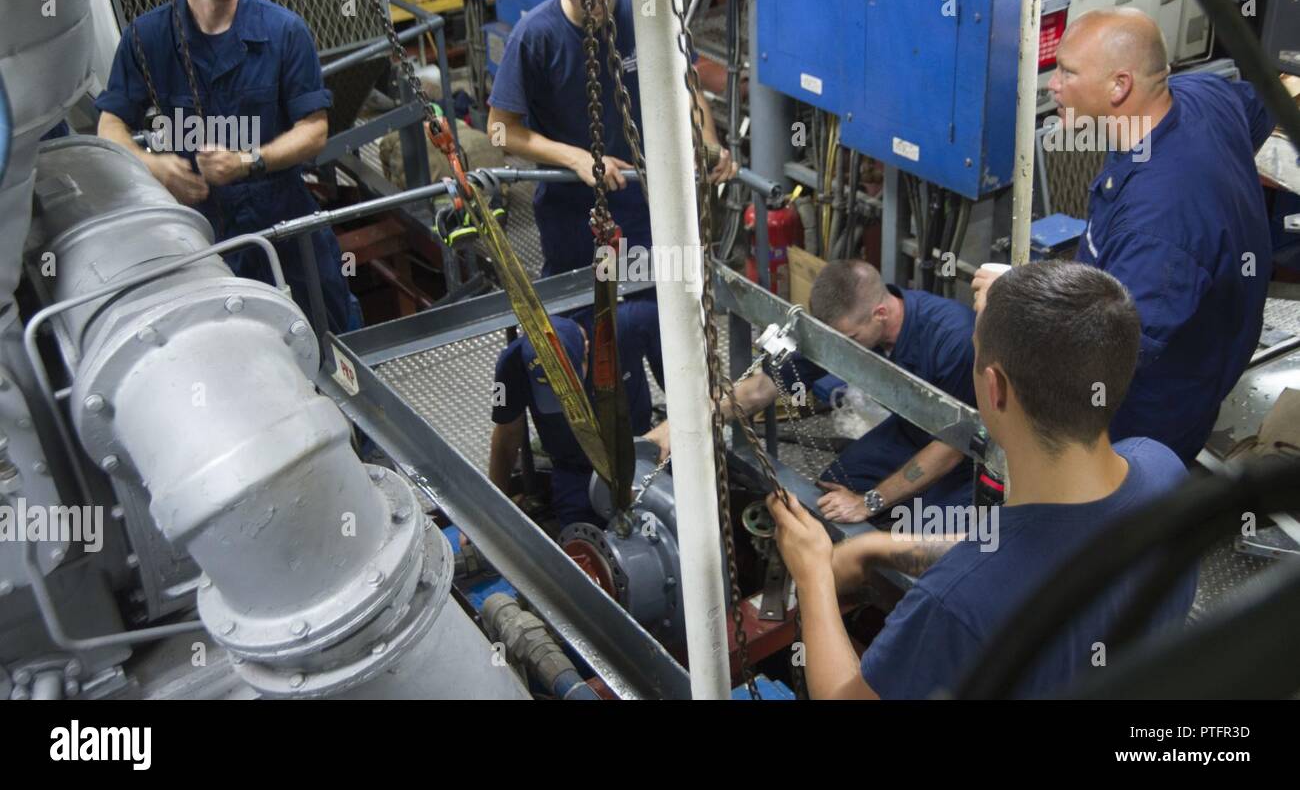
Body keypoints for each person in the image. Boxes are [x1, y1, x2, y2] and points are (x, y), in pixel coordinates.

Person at [768, 261, 1197, 699]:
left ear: (995, 388)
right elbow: (1048, 546)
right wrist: (880, 546)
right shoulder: (1164, 470)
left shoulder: (954, 605)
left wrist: (813, 574)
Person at [974, 8, 1273, 464]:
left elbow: (1107, 355)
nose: (1053, 85)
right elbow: (1264, 106)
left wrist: (1015, 302)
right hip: (1189, 351)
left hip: (1143, 418)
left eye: (1067, 72)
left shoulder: (1157, 226)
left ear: (1120, 86)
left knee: (1103, 515)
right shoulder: (1202, 96)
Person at [96, 0, 359, 333]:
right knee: (226, 342)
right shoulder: (148, 38)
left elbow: (314, 130)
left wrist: (248, 162)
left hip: (284, 219)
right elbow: (110, 125)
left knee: (333, 333)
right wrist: (154, 165)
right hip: (202, 232)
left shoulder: (284, 32)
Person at [486, 0, 734, 278]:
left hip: (652, 203)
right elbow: (498, 132)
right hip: (573, 213)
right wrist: (575, 159)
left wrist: (707, 144)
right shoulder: (534, 39)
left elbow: (687, 88)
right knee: (588, 319)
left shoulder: (651, 16)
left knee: (657, 315)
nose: (593, 6)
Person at [646, 259, 977, 523]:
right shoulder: (848, 330)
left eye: (850, 340)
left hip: (969, 463)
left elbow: (952, 448)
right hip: (912, 433)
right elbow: (763, 387)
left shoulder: (954, 340)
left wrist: (868, 503)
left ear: (881, 314)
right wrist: (682, 424)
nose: (843, 348)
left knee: (918, 538)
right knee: (832, 492)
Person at [489, 300, 664, 527]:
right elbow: (507, 435)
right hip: (573, 471)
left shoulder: (631, 324)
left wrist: (669, 429)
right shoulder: (509, 364)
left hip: (640, 457)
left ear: (587, 349)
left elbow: (701, 394)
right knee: (579, 547)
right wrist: (492, 510)